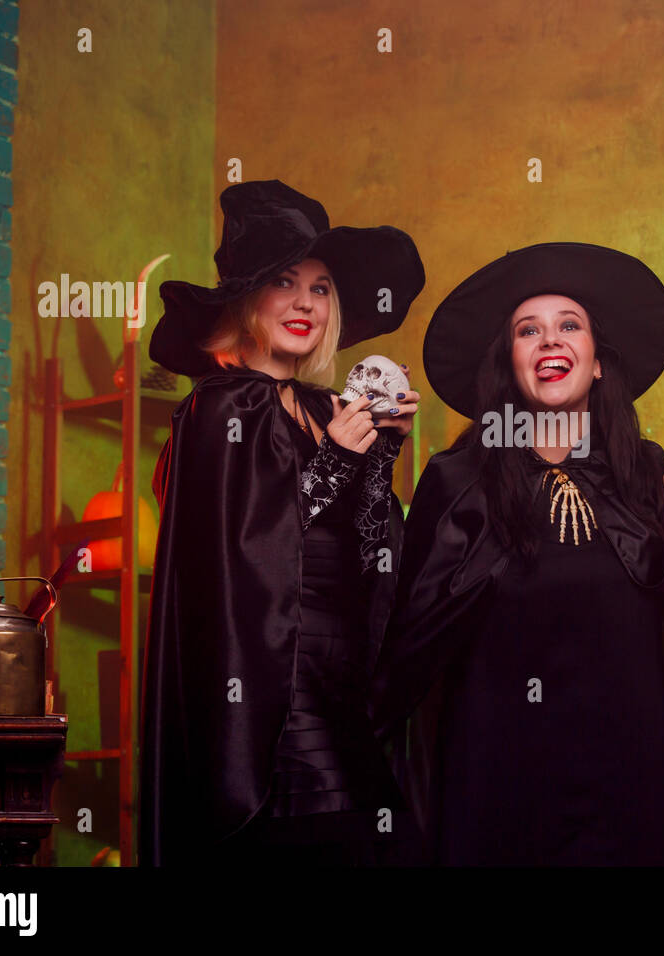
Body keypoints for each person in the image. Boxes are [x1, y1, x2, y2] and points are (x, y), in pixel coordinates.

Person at [371, 242, 664, 865]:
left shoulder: (647, 470)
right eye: (528, 331)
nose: (549, 342)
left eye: (568, 326)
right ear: (509, 361)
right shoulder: (457, 481)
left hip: (626, 776)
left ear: (599, 363)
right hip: (498, 782)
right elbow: (412, 637)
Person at [140, 180, 425, 866]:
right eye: (283, 281)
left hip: (345, 689)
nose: (304, 302)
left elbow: (373, 561)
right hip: (269, 703)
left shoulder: (333, 410)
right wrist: (332, 465)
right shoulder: (218, 409)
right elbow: (249, 562)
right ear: (246, 299)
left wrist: (378, 452)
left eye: (321, 288)